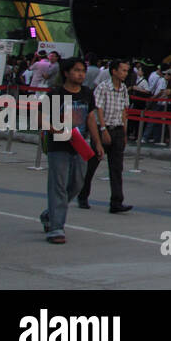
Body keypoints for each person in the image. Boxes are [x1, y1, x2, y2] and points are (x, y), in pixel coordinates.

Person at [40, 58, 103, 244]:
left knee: (77, 183)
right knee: (58, 185)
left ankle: (50, 214)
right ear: (66, 73)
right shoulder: (55, 94)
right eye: (76, 70)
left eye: (83, 70)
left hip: (80, 145)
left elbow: (91, 118)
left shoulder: (87, 94)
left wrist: (97, 143)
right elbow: (42, 120)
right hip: (58, 145)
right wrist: (57, 130)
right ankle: (56, 228)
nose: (81, 74)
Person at [78, 58, 134, 214]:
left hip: (117, 129)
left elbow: (124, 111)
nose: (125, 73)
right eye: (122, 70)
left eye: (126, 70)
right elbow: (98, 109)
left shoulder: (123, 89)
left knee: (116, 168)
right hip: (103, 128)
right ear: (114, 71)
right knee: (92, 164)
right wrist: (103, 130)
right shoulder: (103, 87)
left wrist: (124, 132)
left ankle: (116, 202)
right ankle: (83, 195)